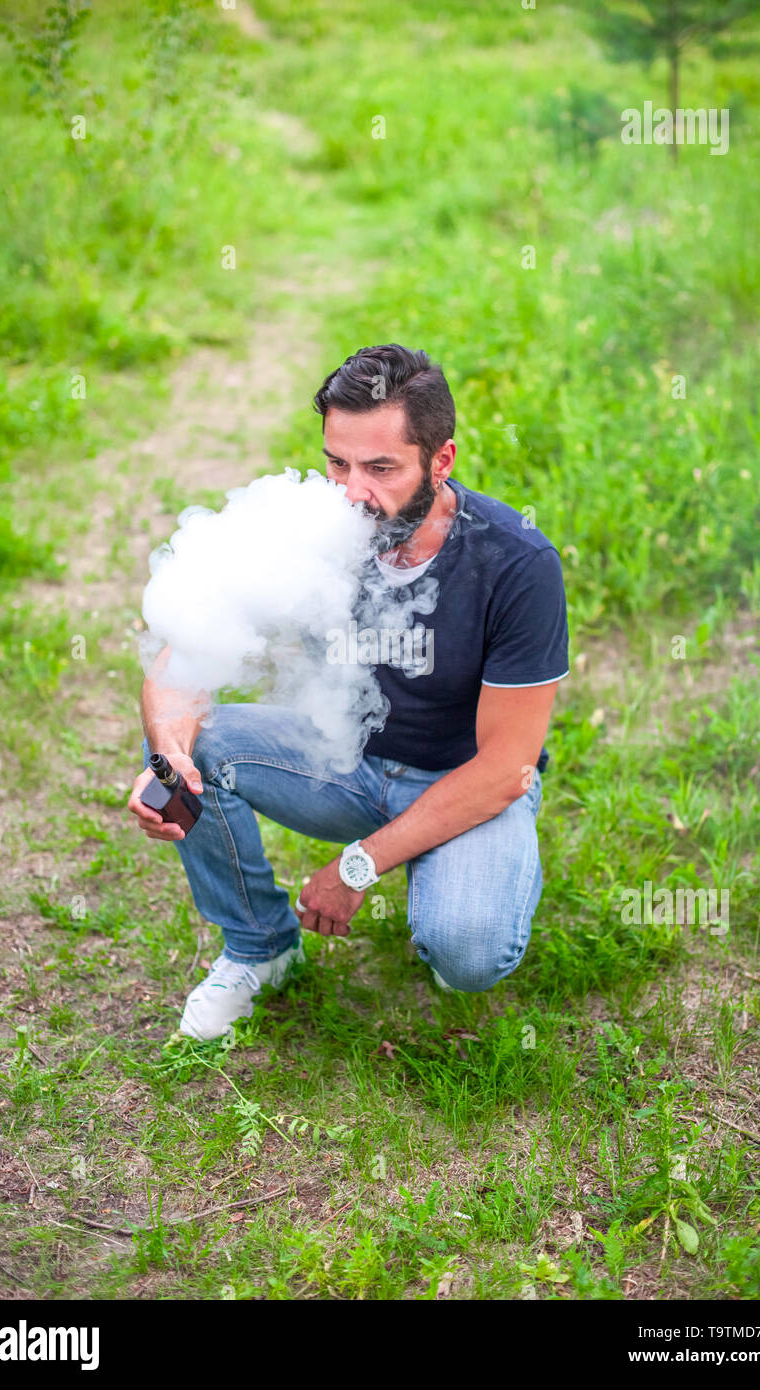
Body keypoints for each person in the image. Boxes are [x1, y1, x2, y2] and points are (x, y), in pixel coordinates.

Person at [127, 344, 569, 1039]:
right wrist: (167, 761)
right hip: (345, 765)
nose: (352, 492)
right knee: (199, 742)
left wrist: (356, 868)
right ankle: (259, 947)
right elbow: (179, 662)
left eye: (380, 468)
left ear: (441, 460)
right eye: (337, 463)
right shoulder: (311, 530)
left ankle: (451, 875)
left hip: (463, 779)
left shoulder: (515, 563)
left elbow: (506, 767)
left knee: (468, 954)